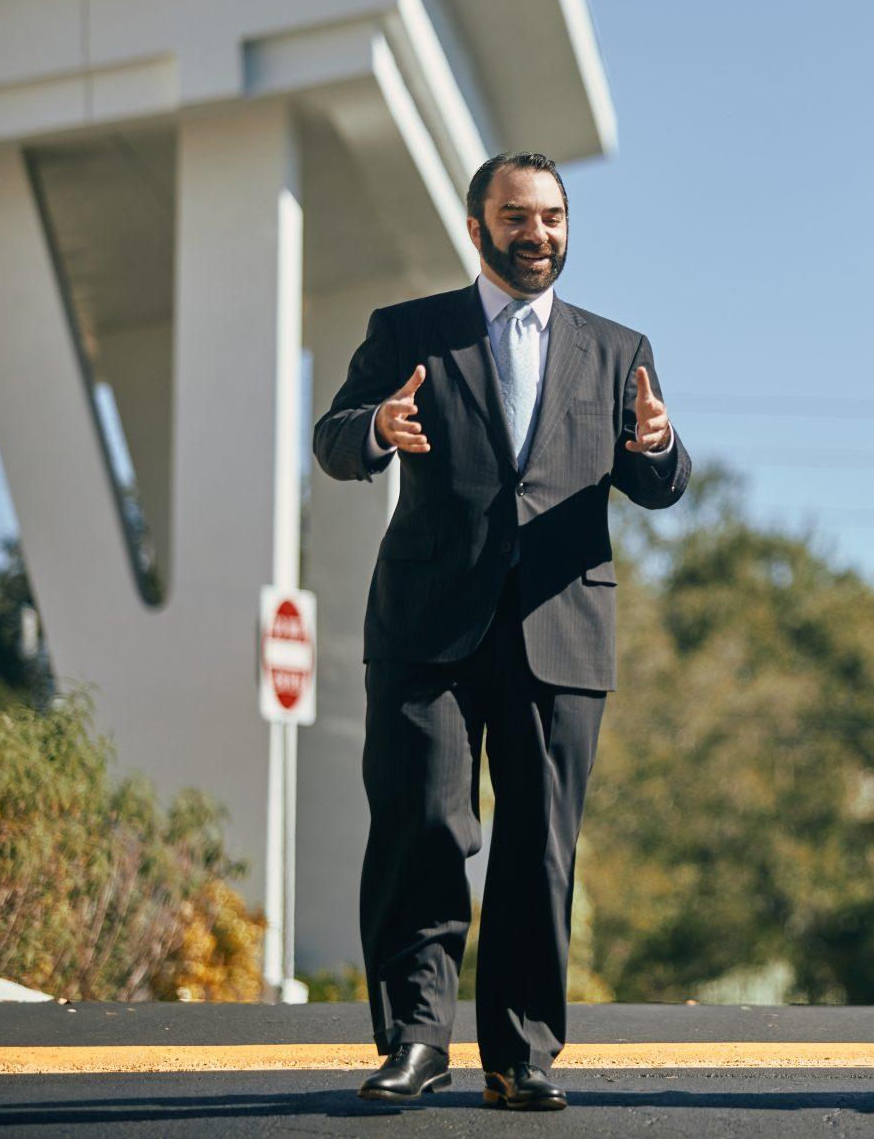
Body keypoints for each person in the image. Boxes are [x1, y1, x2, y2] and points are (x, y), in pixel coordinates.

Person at [313, 151, 690, 1111]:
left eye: (554, 216)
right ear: (477, 228)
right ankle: (414, 1037)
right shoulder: (410, 330)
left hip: (561, 630)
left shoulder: (618, 346)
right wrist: (373, 430)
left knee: (539, 847)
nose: (540, 234)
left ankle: (520, 1053)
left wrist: (658, 445)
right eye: (518, 217)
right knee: (422, 827)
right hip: (426, 629)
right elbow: (336, 433)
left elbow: (658, 479)